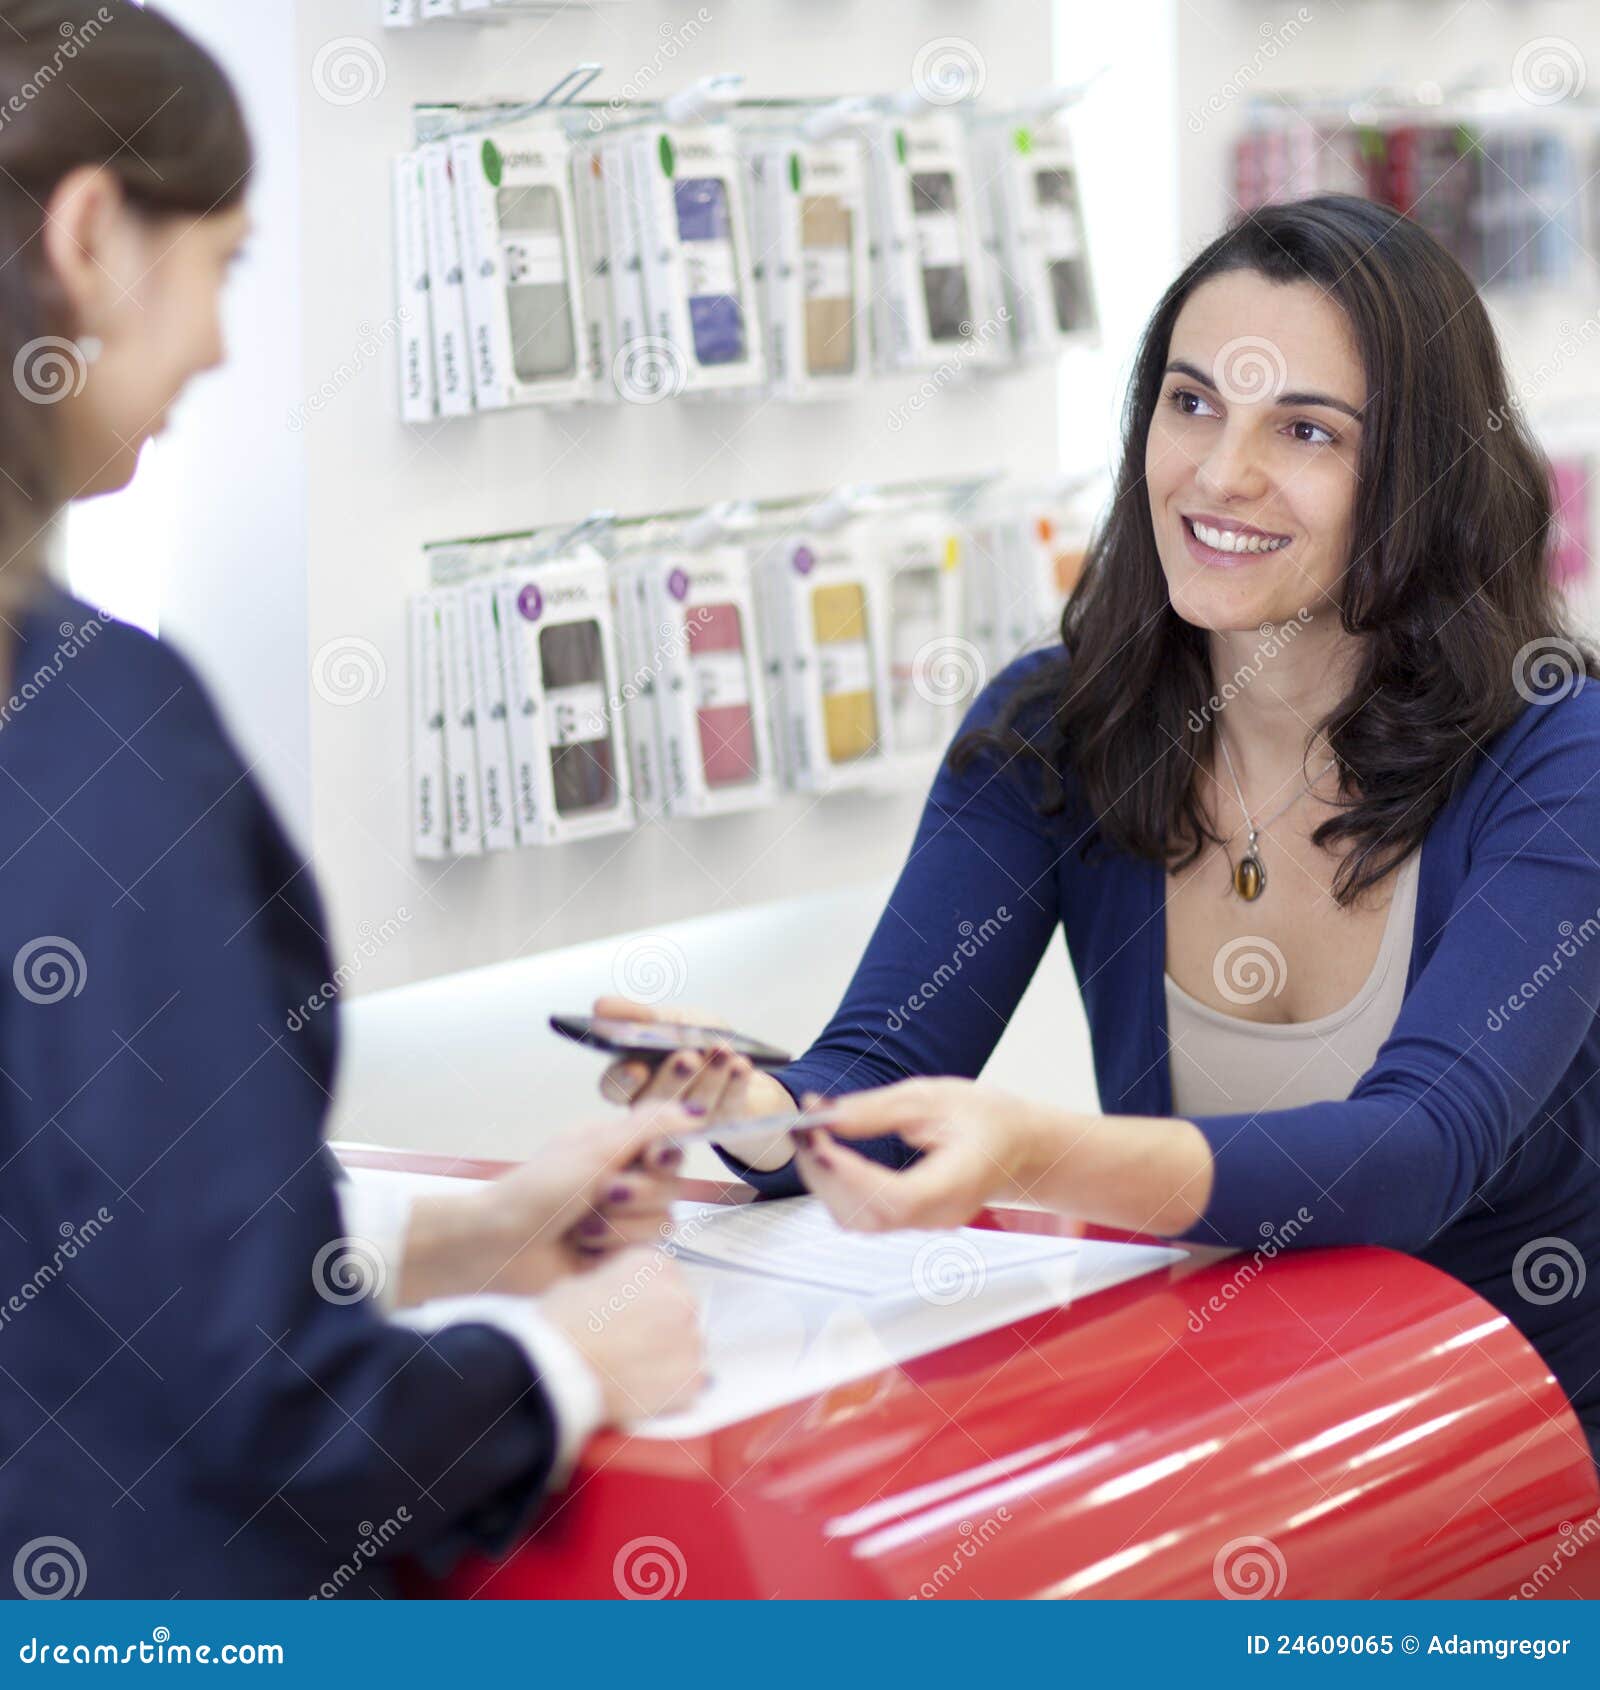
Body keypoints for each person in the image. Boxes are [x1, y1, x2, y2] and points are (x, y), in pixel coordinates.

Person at [602, 193, 1600, 1476]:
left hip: (1521, 1461)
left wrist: (1034, 1150)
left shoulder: (1551, 751)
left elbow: (1416, 1153)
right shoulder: (1058, 724)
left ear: (1419, 475)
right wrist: (755, 1112)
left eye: (1303, 430)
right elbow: (878, 1071)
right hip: (1227, 1426)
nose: (1219, 473)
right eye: (1190, 404)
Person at [0, 1, 702, 1600]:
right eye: (225, 266)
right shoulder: (94, 730)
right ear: (93, 235)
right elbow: (283, 1421)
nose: (225, 345)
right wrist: (568, 1358)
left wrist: (443, 1245)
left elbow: (73, 1256)